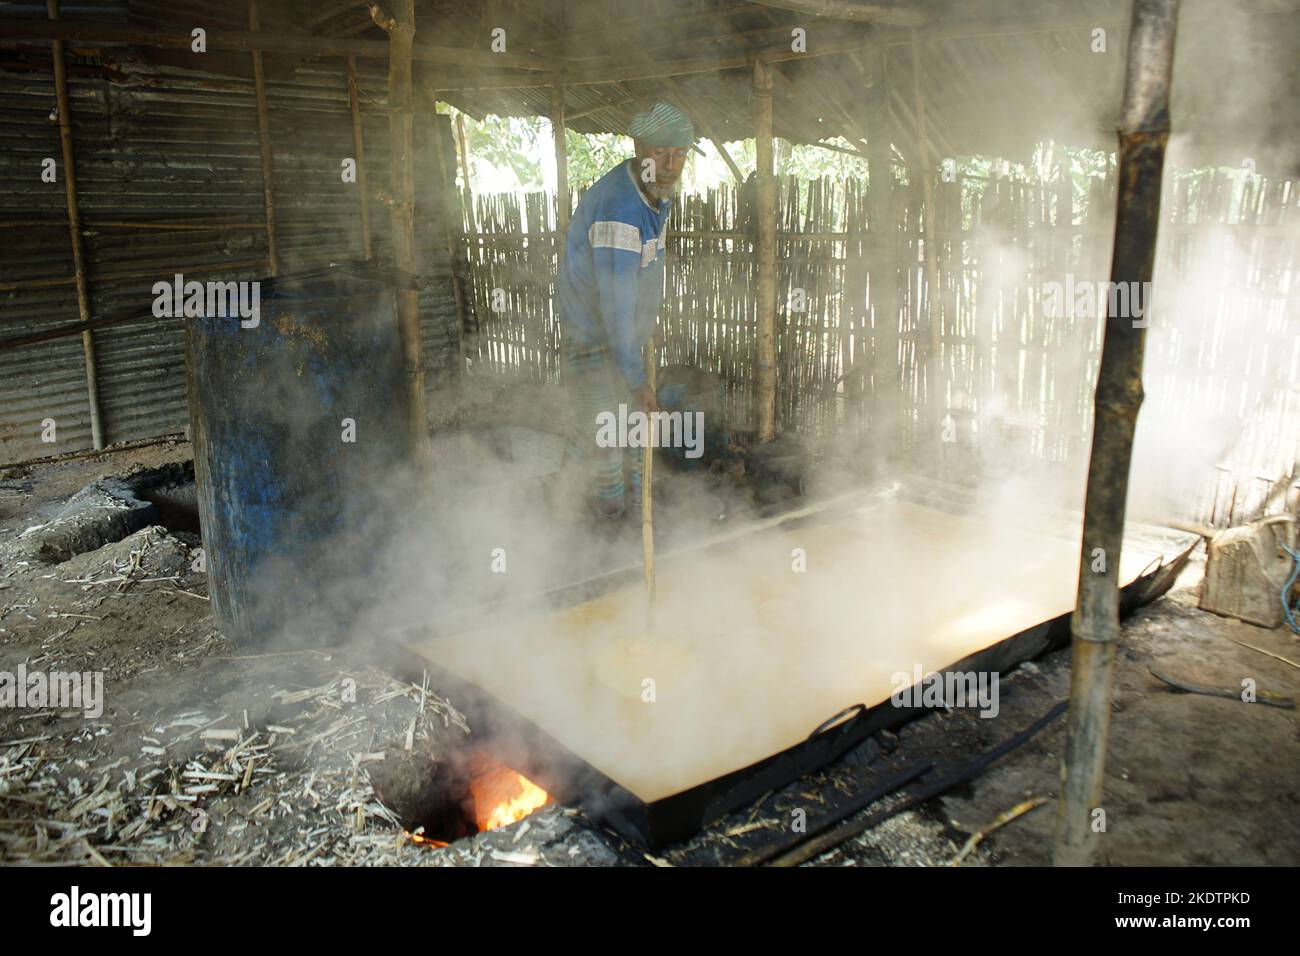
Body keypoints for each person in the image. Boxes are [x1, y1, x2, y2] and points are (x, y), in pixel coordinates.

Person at [557, 101, 693, 522]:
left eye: (679, 154)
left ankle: (637, 514)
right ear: (639, 149)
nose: (670, 164)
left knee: (632, 430)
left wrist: (647, 325)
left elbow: (647, 272)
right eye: (659, 152)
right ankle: (611, 522)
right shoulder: (621, 207)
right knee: (609, 437)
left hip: (622, 337)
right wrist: (635, 378)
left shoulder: (655, 194)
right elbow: (616, 304)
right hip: (592, 335)